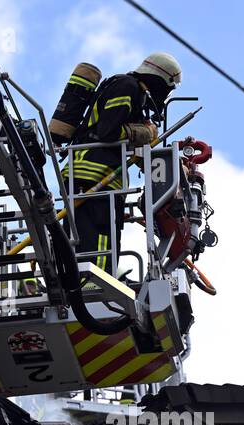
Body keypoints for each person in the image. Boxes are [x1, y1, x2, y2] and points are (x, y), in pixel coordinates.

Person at [67, 53, 182, 275]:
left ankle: (86, 281)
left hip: (95, 179)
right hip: (94, 177)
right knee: (99, 237)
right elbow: (107, 132)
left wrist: (170, 170)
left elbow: (130, 148)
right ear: (159, 80)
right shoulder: (127, 86)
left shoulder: (133, 95)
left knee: (90, 238)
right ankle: (92, 284)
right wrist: (143, 132)